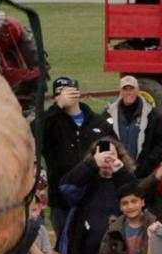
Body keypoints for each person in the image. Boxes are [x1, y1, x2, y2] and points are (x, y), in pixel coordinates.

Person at [41, 75, 115, 237]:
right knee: (67, 250)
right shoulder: (52, 123)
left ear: (78, 93)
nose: (66, 95)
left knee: (96, 246)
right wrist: (57, 107)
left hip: (94, 199)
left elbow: (110, 150)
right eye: (60, 93)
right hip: (62, 201)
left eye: (69, 91)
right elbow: (34, 135)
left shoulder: (98, 123)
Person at [104, 76, 162, 178]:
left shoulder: (152, 115)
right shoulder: (108, 115)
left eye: (131, 89)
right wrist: (107, 161)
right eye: (125, 89)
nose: (128, 92)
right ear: (120, 92)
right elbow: (101, 140)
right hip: (115, 174)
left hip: (142, 175)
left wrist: (149, 163)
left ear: (138, 91)